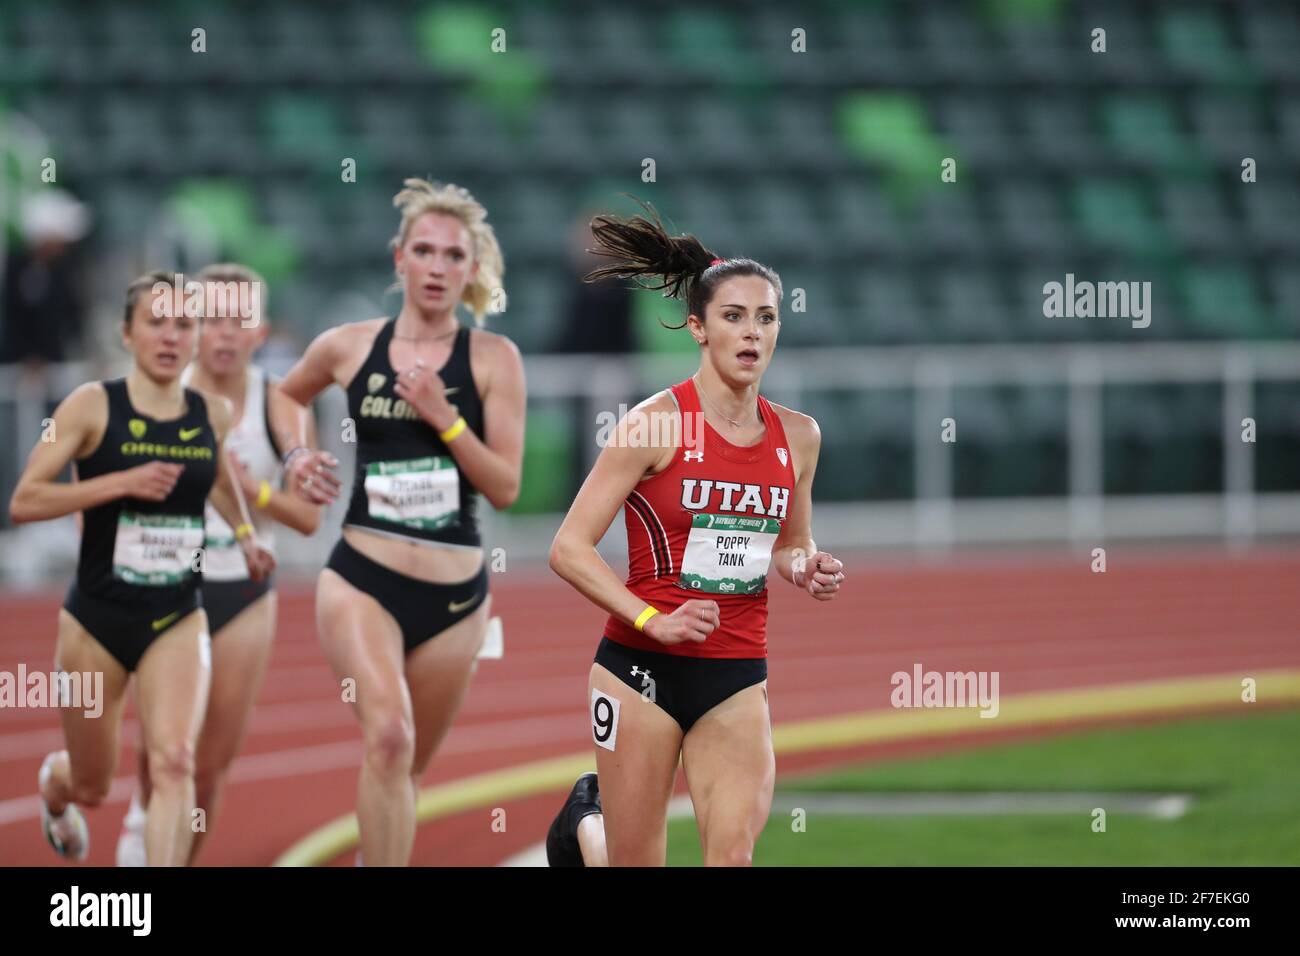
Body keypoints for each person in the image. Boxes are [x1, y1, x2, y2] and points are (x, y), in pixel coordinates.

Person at [545, 203, 845, 866]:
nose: (751, 332)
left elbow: (791, 542)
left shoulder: (800, 436)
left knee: (732, 857)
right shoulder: (654, 424)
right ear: (698, 328)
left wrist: (806, 566)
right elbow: (568, 548)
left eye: (766, 317)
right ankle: (584, 824)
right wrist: (652, 621)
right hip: (640, 670)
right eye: (733, 316)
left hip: (735, 670)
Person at [277, 179, 526, 866]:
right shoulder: (349, 346)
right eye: (424, 251)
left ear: (471, 270)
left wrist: (444, 416)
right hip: (363, 578)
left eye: (454, 255)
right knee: (388, 737)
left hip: (456, 599)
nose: (438, 266)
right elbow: (285, 395)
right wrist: (296, 454)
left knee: (407, 767)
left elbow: (505, 486)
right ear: (400, 259)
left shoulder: (494, 359)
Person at [8, 270, 273, 866]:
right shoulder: (91, 405)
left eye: (184, 325)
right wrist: (120, 483)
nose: (171, 337)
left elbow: (217, 478)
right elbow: (25, 500)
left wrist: (246, 535)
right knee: (92, 784)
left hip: (176, 616)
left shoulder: (212, 413)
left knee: (175, 761)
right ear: (127, 333)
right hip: (95, 622)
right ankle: (55, 788)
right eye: (156, 323)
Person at [115, 263, 322, 866]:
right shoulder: (156, 392)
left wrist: (248, 487)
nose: (226, 334)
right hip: (164, 584)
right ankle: (140, 833)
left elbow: (308, 519)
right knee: (161, 753)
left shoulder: (279, 403)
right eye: (212, 319)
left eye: (240, 320)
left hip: (243, 590)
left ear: (261, 331)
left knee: (208, 768)